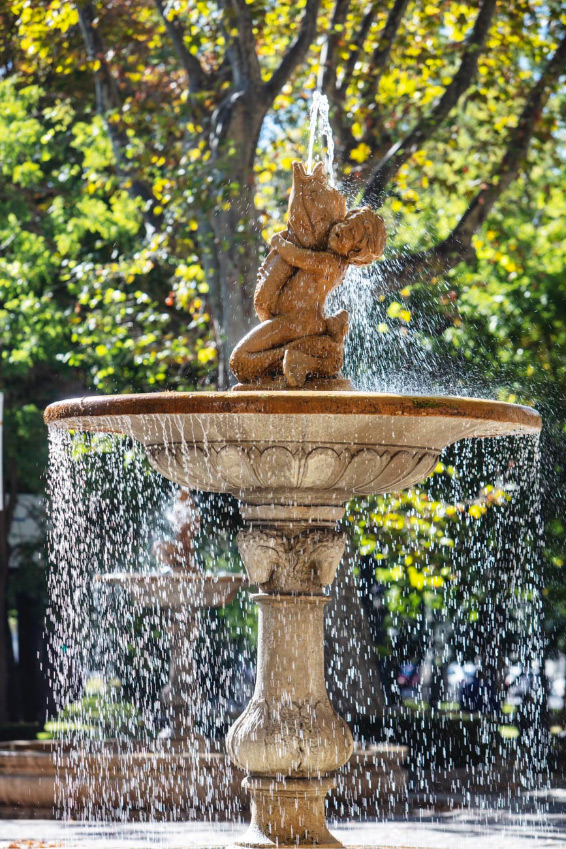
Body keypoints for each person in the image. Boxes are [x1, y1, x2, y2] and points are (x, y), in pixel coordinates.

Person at [230, 205, 386, 387]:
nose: (342, 229)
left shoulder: (330, 263)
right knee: (243, 362)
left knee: (240, 362)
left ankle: (299, 358)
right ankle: (301, 359)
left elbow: (295, 256)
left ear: (353, 253)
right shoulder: (334, 260)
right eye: (347, 223)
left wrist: (278, 241)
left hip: (299, 322)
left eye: (351, 234)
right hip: (300, 322)